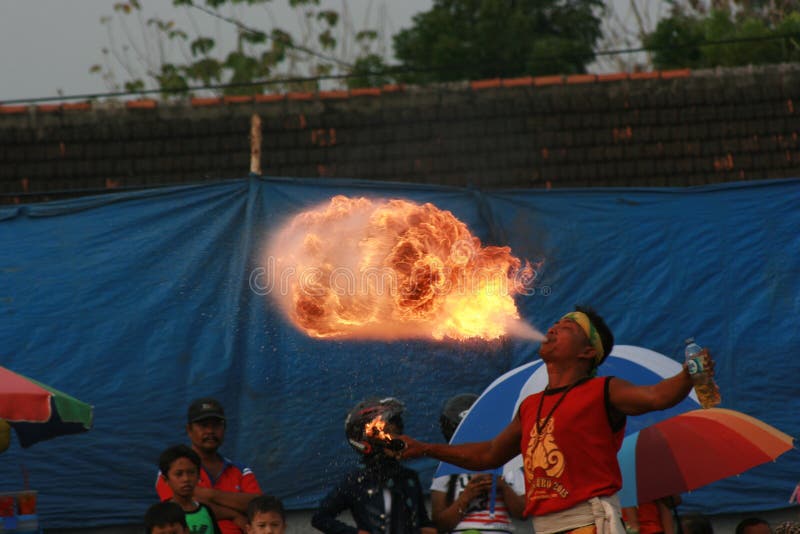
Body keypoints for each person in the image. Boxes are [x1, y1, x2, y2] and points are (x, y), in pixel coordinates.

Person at [400, 305, 712, 534]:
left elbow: (657, 397)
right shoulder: (531, 405)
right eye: (555, 324)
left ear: (588, 352)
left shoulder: (604, 390)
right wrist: (425, 448)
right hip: (545, 527)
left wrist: (688, 375)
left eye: (567, 328)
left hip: (587, 523)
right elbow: (489, 454)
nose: (552, 329)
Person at [311, 397, 437, 534]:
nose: (399, 440)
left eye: (398, 434)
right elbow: (320, 517)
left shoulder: (408, 478)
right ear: (367, 441)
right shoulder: (357, 481)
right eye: (390, 434)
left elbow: (423, 522)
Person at [156, 397, 262, 534]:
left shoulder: (240, 470)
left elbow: (259, 507)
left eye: (216, 425)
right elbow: (181, 508)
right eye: (203, 425)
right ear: (189, 430)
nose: (210, 431)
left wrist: (209, 494)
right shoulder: (171, 470)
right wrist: (234, 514)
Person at [431, 393, 526, 534]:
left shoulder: (506, 464)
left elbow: (523, 513)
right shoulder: (446, 469)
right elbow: (440, 524)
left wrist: (503, 486)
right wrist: (467, 496)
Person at [158, 444, 223, 534]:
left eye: (191, 472)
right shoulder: (160, 515)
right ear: (165, 479)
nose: (186, 479)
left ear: (198, 476)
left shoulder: (206, 511)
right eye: (179, 474)